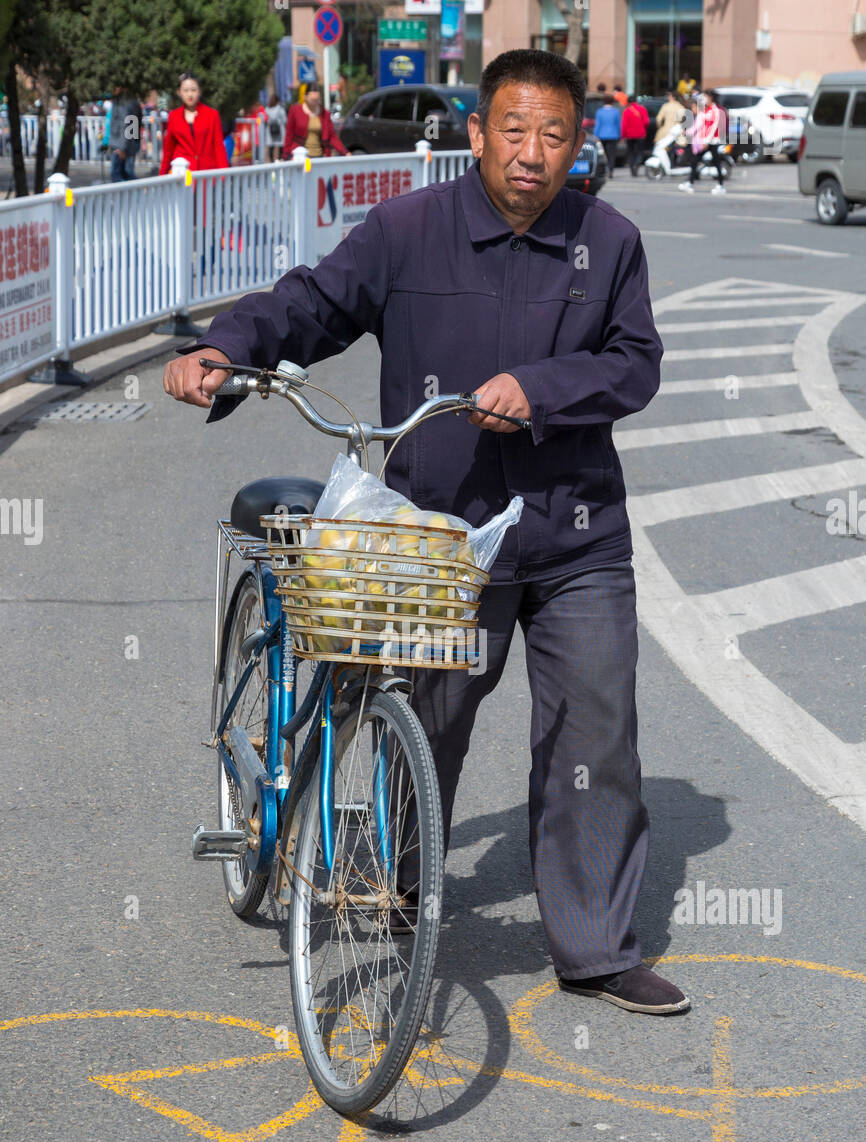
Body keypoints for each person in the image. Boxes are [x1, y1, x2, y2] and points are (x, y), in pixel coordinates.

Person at [164, 49, 690, 1015]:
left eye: (556, 136)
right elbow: (313, 302)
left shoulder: (606, 242)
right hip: (444, 540)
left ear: (582, 145)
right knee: (429, 722)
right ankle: (398, 881)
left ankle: (596, 946)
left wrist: (543, 390)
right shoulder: (409, 231)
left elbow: (635, 365)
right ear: (478, 134)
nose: (533, 154)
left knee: (596, 730)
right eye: (515, 132)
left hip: (574, 537)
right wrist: (226, 347)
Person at [159, 73, 228, 174]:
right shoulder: (174, 116)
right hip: (182, 174)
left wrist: (224, 176)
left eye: (193, 90)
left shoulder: (212, 115)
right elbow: (168, 150)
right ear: (179, 92)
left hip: (206, 174)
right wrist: (162, 177)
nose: (190, 95)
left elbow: (219, 148)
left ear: (200, 92)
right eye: (185, 90)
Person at [281, 81, 347, 158]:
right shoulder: (295, 111)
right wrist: (285, 155)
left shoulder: (325, 114)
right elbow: (289, 135)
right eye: (312, 100)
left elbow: (332, 136)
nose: (315, 103)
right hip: (300, 156)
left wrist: (344, 152)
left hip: (320, 156)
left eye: (317, 100)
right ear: (305, 97)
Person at [679, 89, 726, 194]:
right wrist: (688, 132)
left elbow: (713, 127)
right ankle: (690, 183)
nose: (703, 99)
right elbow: (698, 125)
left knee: (716, 163)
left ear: (711, 98)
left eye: (705, 97)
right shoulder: (704, 110)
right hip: (704, 141)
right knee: (695, 161)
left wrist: (706, 141)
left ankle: (721, 186)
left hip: (712, 141)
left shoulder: (716, 111)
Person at [108, 84, 142, 181]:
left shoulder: (126, 103)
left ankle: (138, 193)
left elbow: (128, 126)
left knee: (119, 174)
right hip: (124, 144)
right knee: (125, 173)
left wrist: (122, 148)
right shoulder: (125, 101)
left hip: (122, 146)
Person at [592, 92, 622, 177]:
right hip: (613, 135)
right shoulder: (616, 112)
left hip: (602, 135)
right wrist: (620, 135)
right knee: (611, 154)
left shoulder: (599, 112)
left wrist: (595, 135)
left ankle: (604, 170)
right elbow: (618, 125)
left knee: (603, 154)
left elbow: (598, 125)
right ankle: (611, 170)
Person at [621, 93, 649, 176]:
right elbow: (646, 122)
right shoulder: (642, 109)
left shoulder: (626, 111)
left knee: (630, 152)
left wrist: (623, 135)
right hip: (640, 134)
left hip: (629, 135)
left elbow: (624, 125)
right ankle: (637, 165)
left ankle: (632, 167)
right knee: (639, 152)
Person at [264, 97, 286, 162]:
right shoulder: (280, 109)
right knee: (277, 146)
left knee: (268, 147)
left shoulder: (267, 109)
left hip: (269, 130)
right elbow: (285, 120)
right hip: (278, 131)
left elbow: (265, 119)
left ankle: (267, 162)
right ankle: (275, 161)